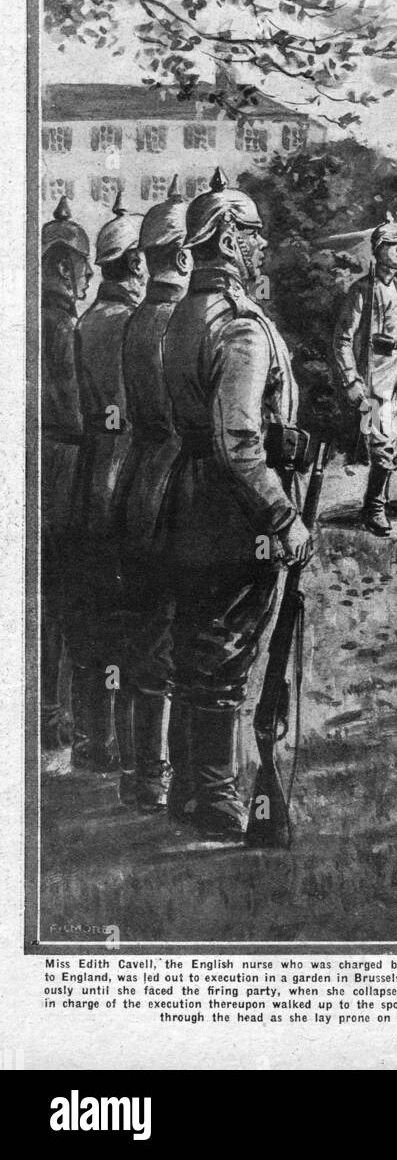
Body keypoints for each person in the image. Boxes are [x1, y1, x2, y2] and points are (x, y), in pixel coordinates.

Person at [161, 168, 310, 839]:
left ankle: (189, 793)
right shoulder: (242, 327)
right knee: (226, 655)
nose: (260, 246)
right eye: (250, 234)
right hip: (232, 510)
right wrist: (282, 514)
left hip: (186, 501)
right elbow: (239, 436)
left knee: (199, 649)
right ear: (224, 237)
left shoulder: (184, 315)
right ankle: (217, 801)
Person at [115, 175, 191, 810]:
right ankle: (171, 777)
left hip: (137, 479)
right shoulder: (178, 321)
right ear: (185, 256)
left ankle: (145, 775)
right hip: (176, 486)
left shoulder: (137, 320)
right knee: (179, 633)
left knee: (146, 634)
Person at [68, 190, 147, 775]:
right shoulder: (131, 326)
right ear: (137, 265)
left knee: (92, 621)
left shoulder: (85, 321)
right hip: (125, 484)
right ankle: (123, 747)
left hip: (87, 484)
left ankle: (95, 742)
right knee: (130, 620)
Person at [332, 219, 397, 537]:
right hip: (378, 379)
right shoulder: (363, 290)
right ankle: (374, 507)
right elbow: (343, 340)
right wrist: (351, 380)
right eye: (392, 244)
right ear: (378, 250)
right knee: (383, 445)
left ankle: (381, 498)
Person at [40, 197, 93, 754]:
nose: (89, 276)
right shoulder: (60, 325)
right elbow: (75, 410)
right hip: (60, 470)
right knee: (62, 595)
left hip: (36, 469)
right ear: (62, 267)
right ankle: (53, 715)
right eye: (83, 266)